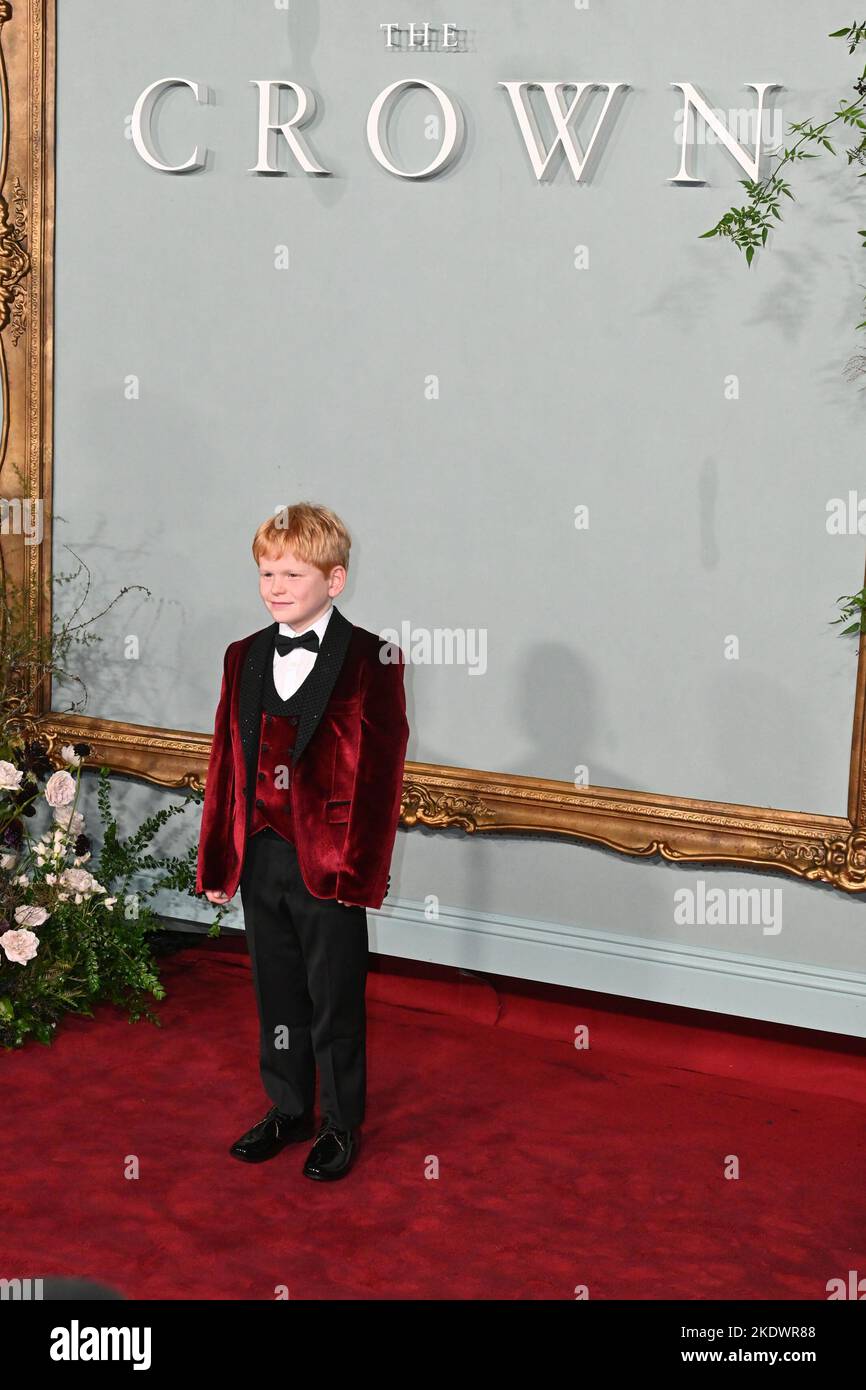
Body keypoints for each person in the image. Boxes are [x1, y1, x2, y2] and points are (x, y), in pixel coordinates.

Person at [195, 503, 409, 1180]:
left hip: (331, 863)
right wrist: (219, 860)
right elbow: (225, 761)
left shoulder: (374, 657)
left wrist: (361, 872)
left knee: (334, 996)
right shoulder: (243, 656)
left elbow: (381, 774)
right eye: (266, 572)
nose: (276, 586)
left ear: (335, 580)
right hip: (261, 852)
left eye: (292, 572)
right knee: (276, 990)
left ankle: (342, 1124)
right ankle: (289, 1108)